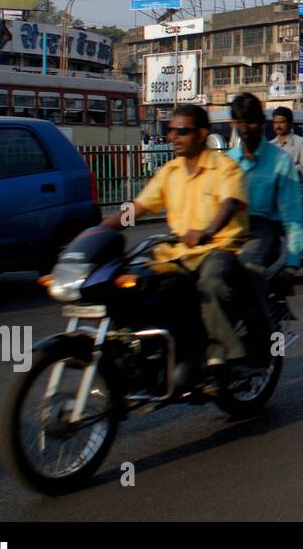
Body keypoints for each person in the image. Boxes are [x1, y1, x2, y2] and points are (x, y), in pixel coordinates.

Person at [99, 104, 253, 372]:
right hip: (175, 253)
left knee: (211, 284)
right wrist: (100, 230)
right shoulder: (170, 172)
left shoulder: (226, 168)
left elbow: (229, 204)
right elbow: (137, 209)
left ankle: (225, 351)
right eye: (170, 131)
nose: (172, 137)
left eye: (181, 131)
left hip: (218, 249)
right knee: (130, 282)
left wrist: (208, 232)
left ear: (202, 133)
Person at [228, 94, 303, 287]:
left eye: (250, 122)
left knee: (248, 270)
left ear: (262, 122)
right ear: (233, 124)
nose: (245, 129)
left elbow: (292, 215)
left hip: (263, 233)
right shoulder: (227, 162)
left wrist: (292, 261)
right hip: (229, 233)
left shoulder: (280, 161)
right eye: (239, 122)